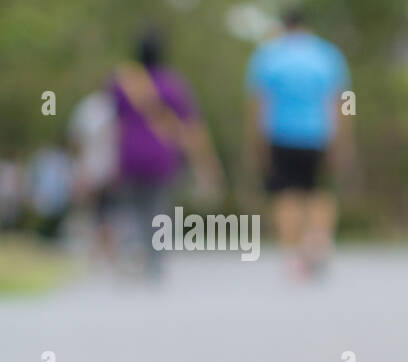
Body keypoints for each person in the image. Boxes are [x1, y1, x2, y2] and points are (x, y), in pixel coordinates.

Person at [244, 7, 353, 279]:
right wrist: (344, 136)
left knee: (287, 194)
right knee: (318, 191)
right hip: (319, 134)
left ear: (283, 26)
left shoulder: (268, 56)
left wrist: (257, 140)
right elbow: (345, 100)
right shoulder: (328, 55)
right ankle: (319, 241)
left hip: (281, 134)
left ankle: (293, 254)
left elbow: (258, 103)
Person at [110, 29, 223, 279]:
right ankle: (154, 264)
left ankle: (133, 254)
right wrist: (205, 163)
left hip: (130, 154)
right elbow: (192, 126)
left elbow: (116, 125)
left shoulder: (122, 83)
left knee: (132, 208)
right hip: (162, 155)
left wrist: (113, 158)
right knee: (158, 210)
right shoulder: (174, 84)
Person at [68, 90, 119, 261]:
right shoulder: (97, 108)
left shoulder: (91, 108)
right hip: (99, 169)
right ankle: (100, 251)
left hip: (102, 169)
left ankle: (102, 251)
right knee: (101, 211)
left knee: (102, 211)